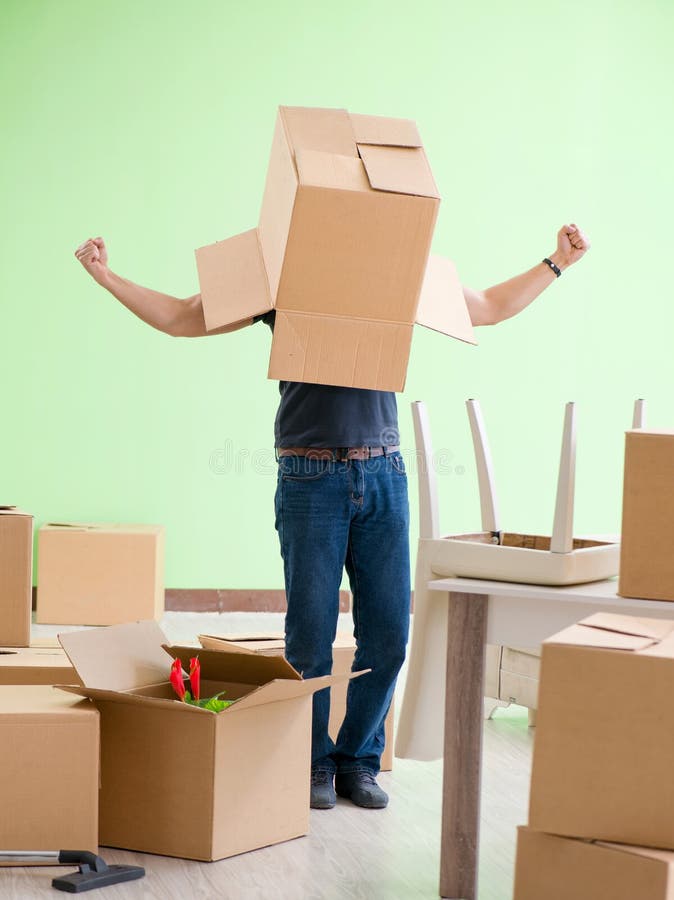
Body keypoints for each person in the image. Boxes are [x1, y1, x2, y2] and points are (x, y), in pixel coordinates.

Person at [74, 223, 590, 810]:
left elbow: (489, 308)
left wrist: (557, 262)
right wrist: (106, 275)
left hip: (383, 475)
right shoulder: (283, 276)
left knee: (390, 635)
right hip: (308, 477)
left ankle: (358, 760)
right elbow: (183, 316)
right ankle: (313, 761)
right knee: (310, 640)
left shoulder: (401, 275)